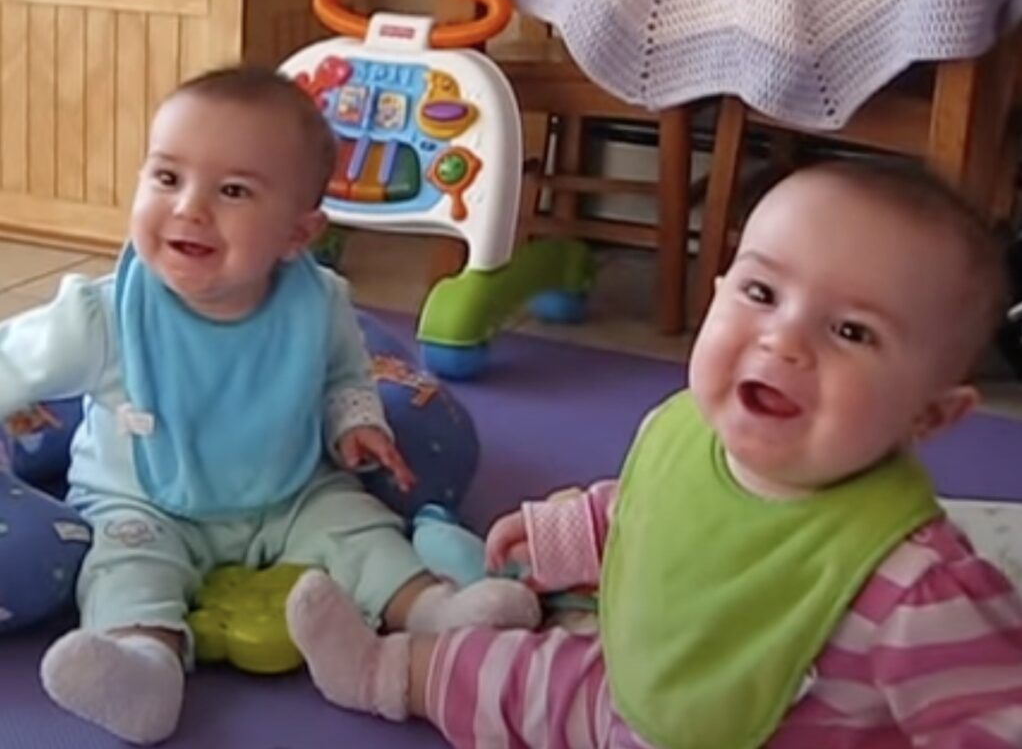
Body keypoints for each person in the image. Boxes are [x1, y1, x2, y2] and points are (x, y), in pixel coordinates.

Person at [284, 159, 1022, 748]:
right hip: (624, 691)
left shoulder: (919, 589)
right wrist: (568, 534)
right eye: (762, 291)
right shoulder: (686, 429)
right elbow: (654, 505)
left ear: (930, 414)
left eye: (853, 332)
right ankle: (383, 669)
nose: (783, 340)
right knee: (511, 674)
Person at [0, 66, 539, 745]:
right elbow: (10, 363)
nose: (189, 208)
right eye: (166, 177)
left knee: (361, 529)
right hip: (142, 498)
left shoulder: (318, 305)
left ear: (296, 233)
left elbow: (347, 374)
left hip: (290, 493)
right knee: (124, 566)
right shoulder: (105, 314)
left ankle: (436, 610)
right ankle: (143, 664)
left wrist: (358, 423)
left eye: (232, 191)